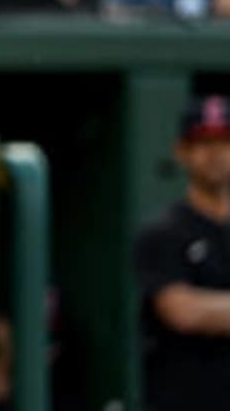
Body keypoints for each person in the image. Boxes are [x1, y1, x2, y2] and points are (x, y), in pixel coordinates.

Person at [134, 95, 230, 411]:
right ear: (182, 152)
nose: (216, 155)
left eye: (224, 142)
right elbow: (183, 312)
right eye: (203, 143)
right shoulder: (164, 231)